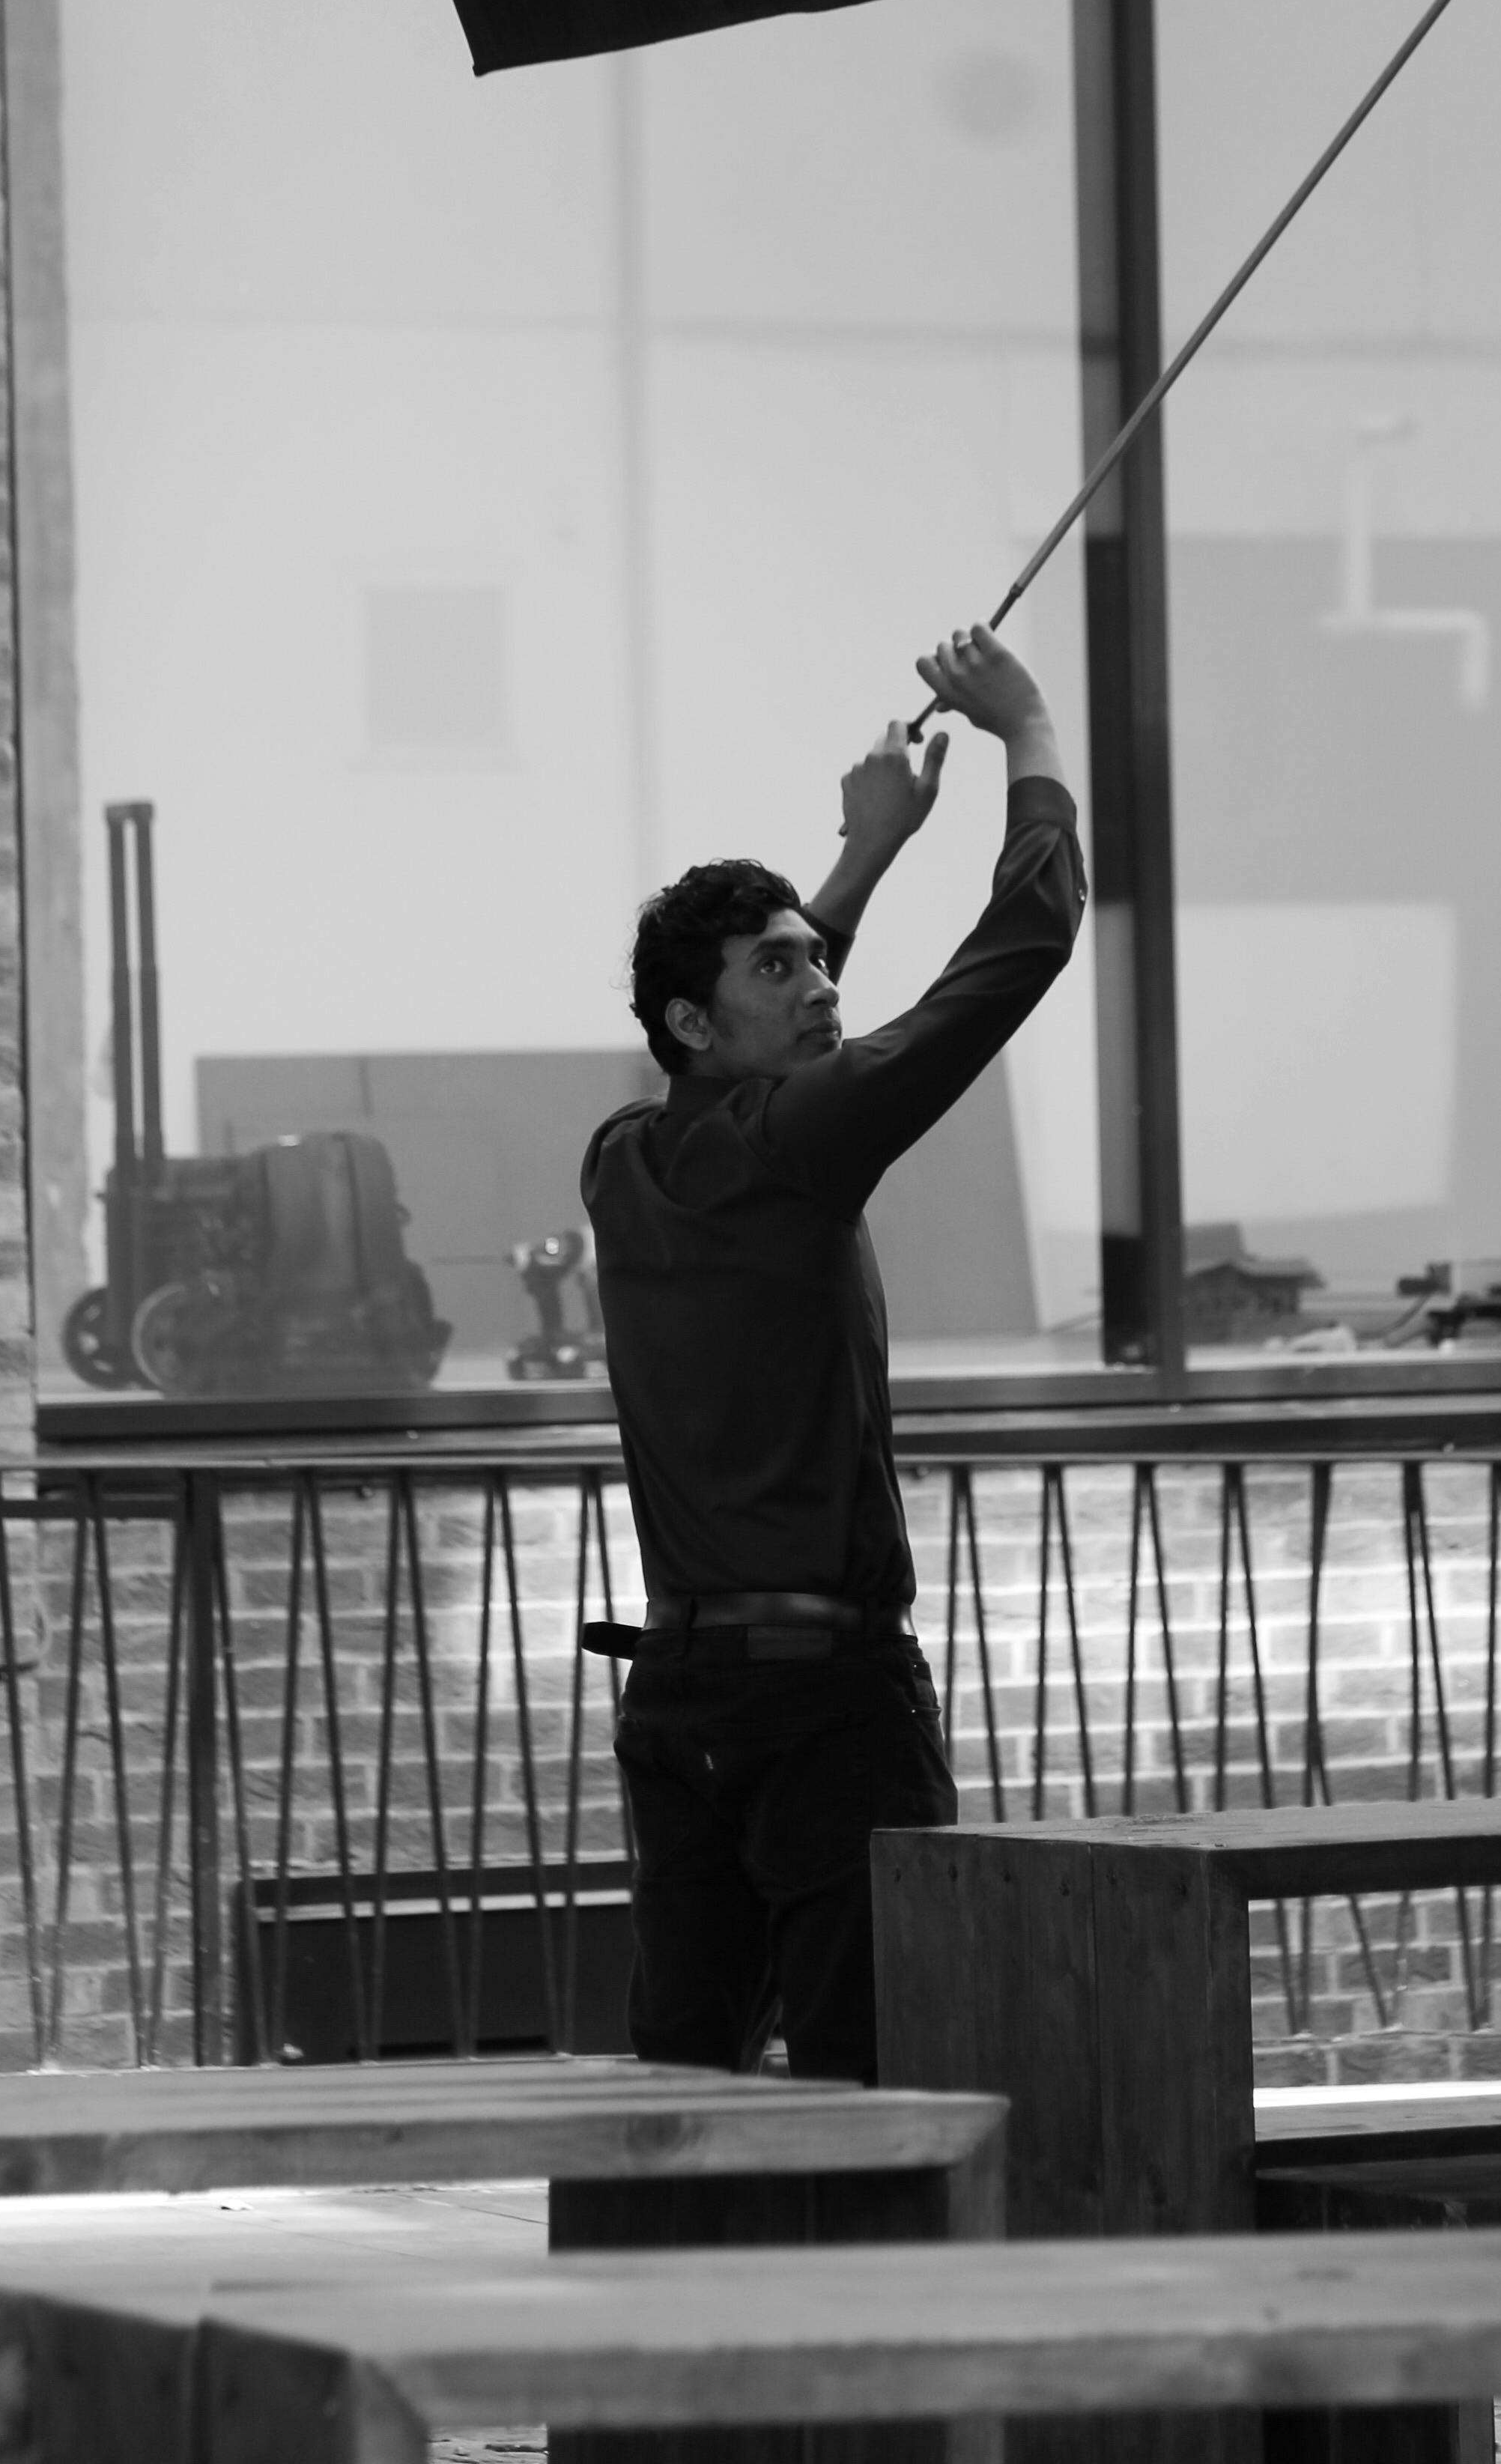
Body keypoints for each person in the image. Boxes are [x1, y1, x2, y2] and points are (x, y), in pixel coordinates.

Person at [580, 623, 1086, 2084]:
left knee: (684, 2083)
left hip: (681, 1701)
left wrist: (858, 860)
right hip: (822, 1705)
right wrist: (1028, 728)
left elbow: (743, 1054)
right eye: (777, 965)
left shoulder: (624, 1160)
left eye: (816, 958)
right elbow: (1022, 948)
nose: (819, 983)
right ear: (692, 1015)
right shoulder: (802, 1143)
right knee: (888, 2077)